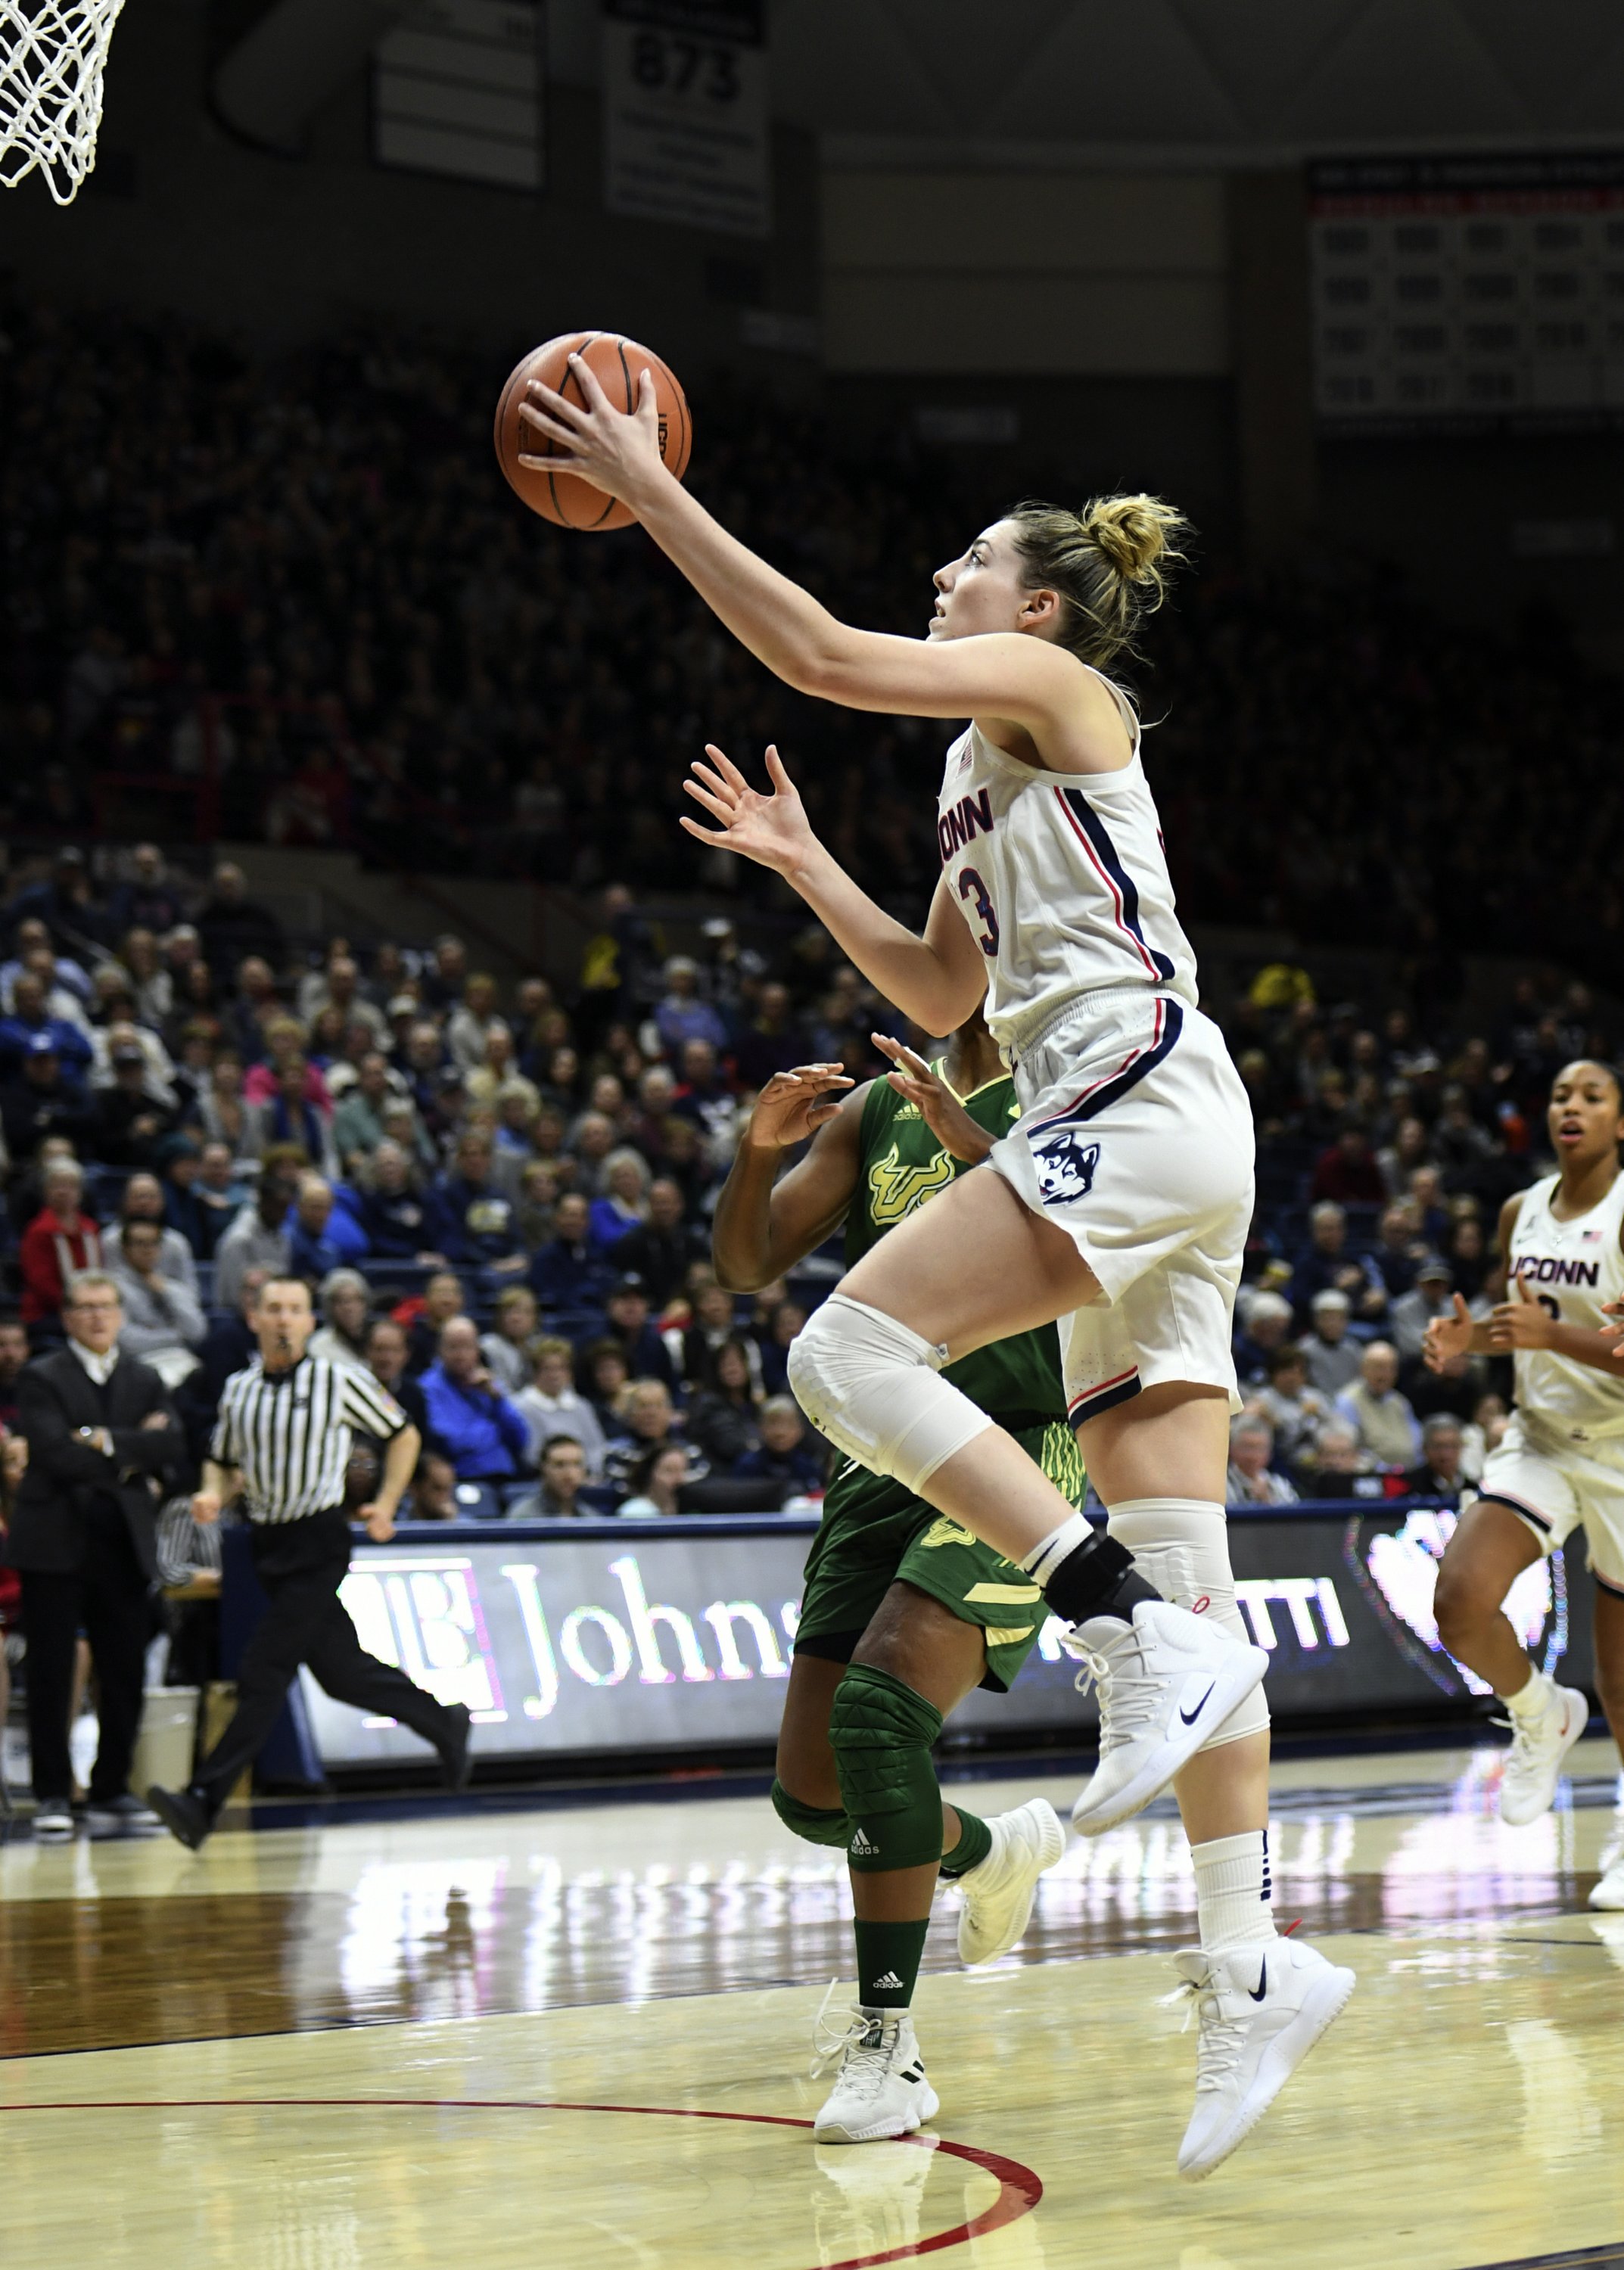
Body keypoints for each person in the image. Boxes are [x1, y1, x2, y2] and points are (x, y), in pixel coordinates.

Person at [527, 362, 1348, 2161]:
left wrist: (645, 487)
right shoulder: (976, 779)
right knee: (1193, 1566)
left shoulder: (1063, 692)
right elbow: (944, 993)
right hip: (1144, 1137)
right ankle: (1247, 1961)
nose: (940, 579)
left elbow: (815, 650)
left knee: (846, 1356)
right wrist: (815, 864)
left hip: (1140, 1099)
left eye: (965, 564)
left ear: (1036, 607)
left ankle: (1108, 1624)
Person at [711, 1007, 1110, 2138]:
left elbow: (1107, 1249)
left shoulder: (1076, 1085)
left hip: (1018, 1439)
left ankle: (886, 2048)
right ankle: (992, 1853)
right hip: (881, 1456)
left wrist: (986, 1150)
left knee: (882, 1716)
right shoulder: (878, 1109)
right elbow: (745, 1262)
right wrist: (759, 1152)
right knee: (812, 1792)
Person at [145, 1276, 471, 1850]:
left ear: (309, 1322)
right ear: (255, 1319)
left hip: (319, 1539)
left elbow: (403, 1435)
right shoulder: (238, 1389)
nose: (284, 1319)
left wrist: (387, 1503)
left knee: (263, 1671)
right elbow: (222, 1459)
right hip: (266, 1542)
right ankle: (443, 1719)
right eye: (274, 1309)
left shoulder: (338, 1379)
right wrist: (213, 1495)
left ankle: (203, 1801)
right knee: (341, 1672)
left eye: (295, 1310)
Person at [1424, 1060, 1624, 1870]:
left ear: (1620, 1121)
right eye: (1558, 1096)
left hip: (1618, 1450)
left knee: (1621, 1678)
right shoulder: (1521, 1212)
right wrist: (1460, 1340)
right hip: (1538, 1438)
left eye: (1591, 1097)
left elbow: (1559, 1336)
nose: (1570, 1107)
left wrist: (1553, 1340)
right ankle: (1539, 1711)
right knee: (1458, 1600)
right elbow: (1515, 1326)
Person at [5, 1270, 187, 1837]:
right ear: (67, 1317)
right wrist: (130, 1449)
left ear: (121, 1313)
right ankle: (54, 1793)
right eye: (84, 1308)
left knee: (123, 1672)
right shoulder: (41, 1376)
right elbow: (55, 1453)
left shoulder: (144, 1377)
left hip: (121, 1544)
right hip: (53, 1545)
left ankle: (111, 1787)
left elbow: (171, 1447)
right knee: (53, 1675)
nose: (96, 1316)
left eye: (105, 1306)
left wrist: (102, 1439)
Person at [418, 1316, 531, 1488]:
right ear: (440, 1349)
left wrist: (497, 1400)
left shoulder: (489, 1384)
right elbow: (454, 1442)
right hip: (461, 1478)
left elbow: (520, 1438)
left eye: (467, 1346)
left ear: (477, 1350)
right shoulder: (428, 1387)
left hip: (505, 1476)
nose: (461, 1355)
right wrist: (494, 1434)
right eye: (453, 1347)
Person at [106, 1216, 207, 1380]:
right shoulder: (112, 1288)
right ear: (125, 1249)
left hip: (183, 1363)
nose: (148, 1250)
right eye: (140, 1243)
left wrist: (166, 1292)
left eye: (154, 1243)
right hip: (136, 1365)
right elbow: (127, 1341)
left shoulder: (172, 1287)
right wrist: (177, 1336)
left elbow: (198, 1331)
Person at [20, 1157, 103, 1327]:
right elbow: (41, 1284)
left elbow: (100, 1271)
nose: (63, 1191)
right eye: (57, 1185)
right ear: (45, 1191)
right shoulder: (38, 1231)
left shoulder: (91, 1228)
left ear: (80, 1192)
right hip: (48, 1312)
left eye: (71, 1185)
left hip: (89, 1307)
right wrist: (78, 1307)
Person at [213, 1152, 300, 1313]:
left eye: (285, 1208)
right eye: (277, 1207)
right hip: (236, 1317)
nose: (282, 1214)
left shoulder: (282, 1235)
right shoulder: (239, 1239)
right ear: (262, 1203)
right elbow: (233, 1296)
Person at [512, 1336, 607, 1476]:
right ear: (534, 1372)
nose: (555, 1375)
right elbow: (531, 1455)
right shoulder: (521, 1406)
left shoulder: (581, 1406)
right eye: (548, 1369)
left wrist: (586, 1472)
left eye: (561, 1368)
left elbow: (597, 1447)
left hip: (585, 1477)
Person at [1334, 1342, 1420, 1472]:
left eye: (1391, 1369)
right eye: (1379, 1368)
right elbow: (1351, 1449)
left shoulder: (1400, 1402)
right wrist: (1386, 1469)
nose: (1385, 1375)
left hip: (1408, 1473)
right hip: (1371, 1476)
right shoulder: (1348, 1401)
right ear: (1363, 1369)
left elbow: (1417, 1442)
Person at [733, 1395, 826, 1500]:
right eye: (773, 1424)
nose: (780, 1432)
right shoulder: (747, 1466)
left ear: (800, 1430)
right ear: (761, 1428)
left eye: (788, 1424)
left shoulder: (810, 1467)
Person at [508, 1435, 590, 1519]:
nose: (569, 1475)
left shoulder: (591, 1517)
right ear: (543, 1469)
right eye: (559, 1465)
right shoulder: (523, 1517)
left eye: (577, 1464)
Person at [1300, 1289, 1361, 1398]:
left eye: (1338, 1318)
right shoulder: (1304, 1349)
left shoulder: (1353, 1349)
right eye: (1326, 1318)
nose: (1332, 1324)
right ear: (1316, 1320)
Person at [1225, 1416, 1299, 1507]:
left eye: (1260, 1448)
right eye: (1247, 1447)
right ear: (1231, 1449)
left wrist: (1267, 1500)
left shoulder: (1279, 1484)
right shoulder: (1221, 1484)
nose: (1253, 1456)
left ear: (1270, 1452)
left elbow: (1296, 1518)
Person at [309, 1267, 372, 1372]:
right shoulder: (318, 1345)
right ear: (329, 1307)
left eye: (355, 1299)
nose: (349, 1308)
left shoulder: (377, 1341)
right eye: (341, 1301)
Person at [481, 1284, 538, 1392]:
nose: (516, 1318)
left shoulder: (540, 1346)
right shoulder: (488, 1347)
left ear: (535, 1318)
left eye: (524, 1312)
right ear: (500, 1317)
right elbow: (500, 1390)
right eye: (510, 1312)